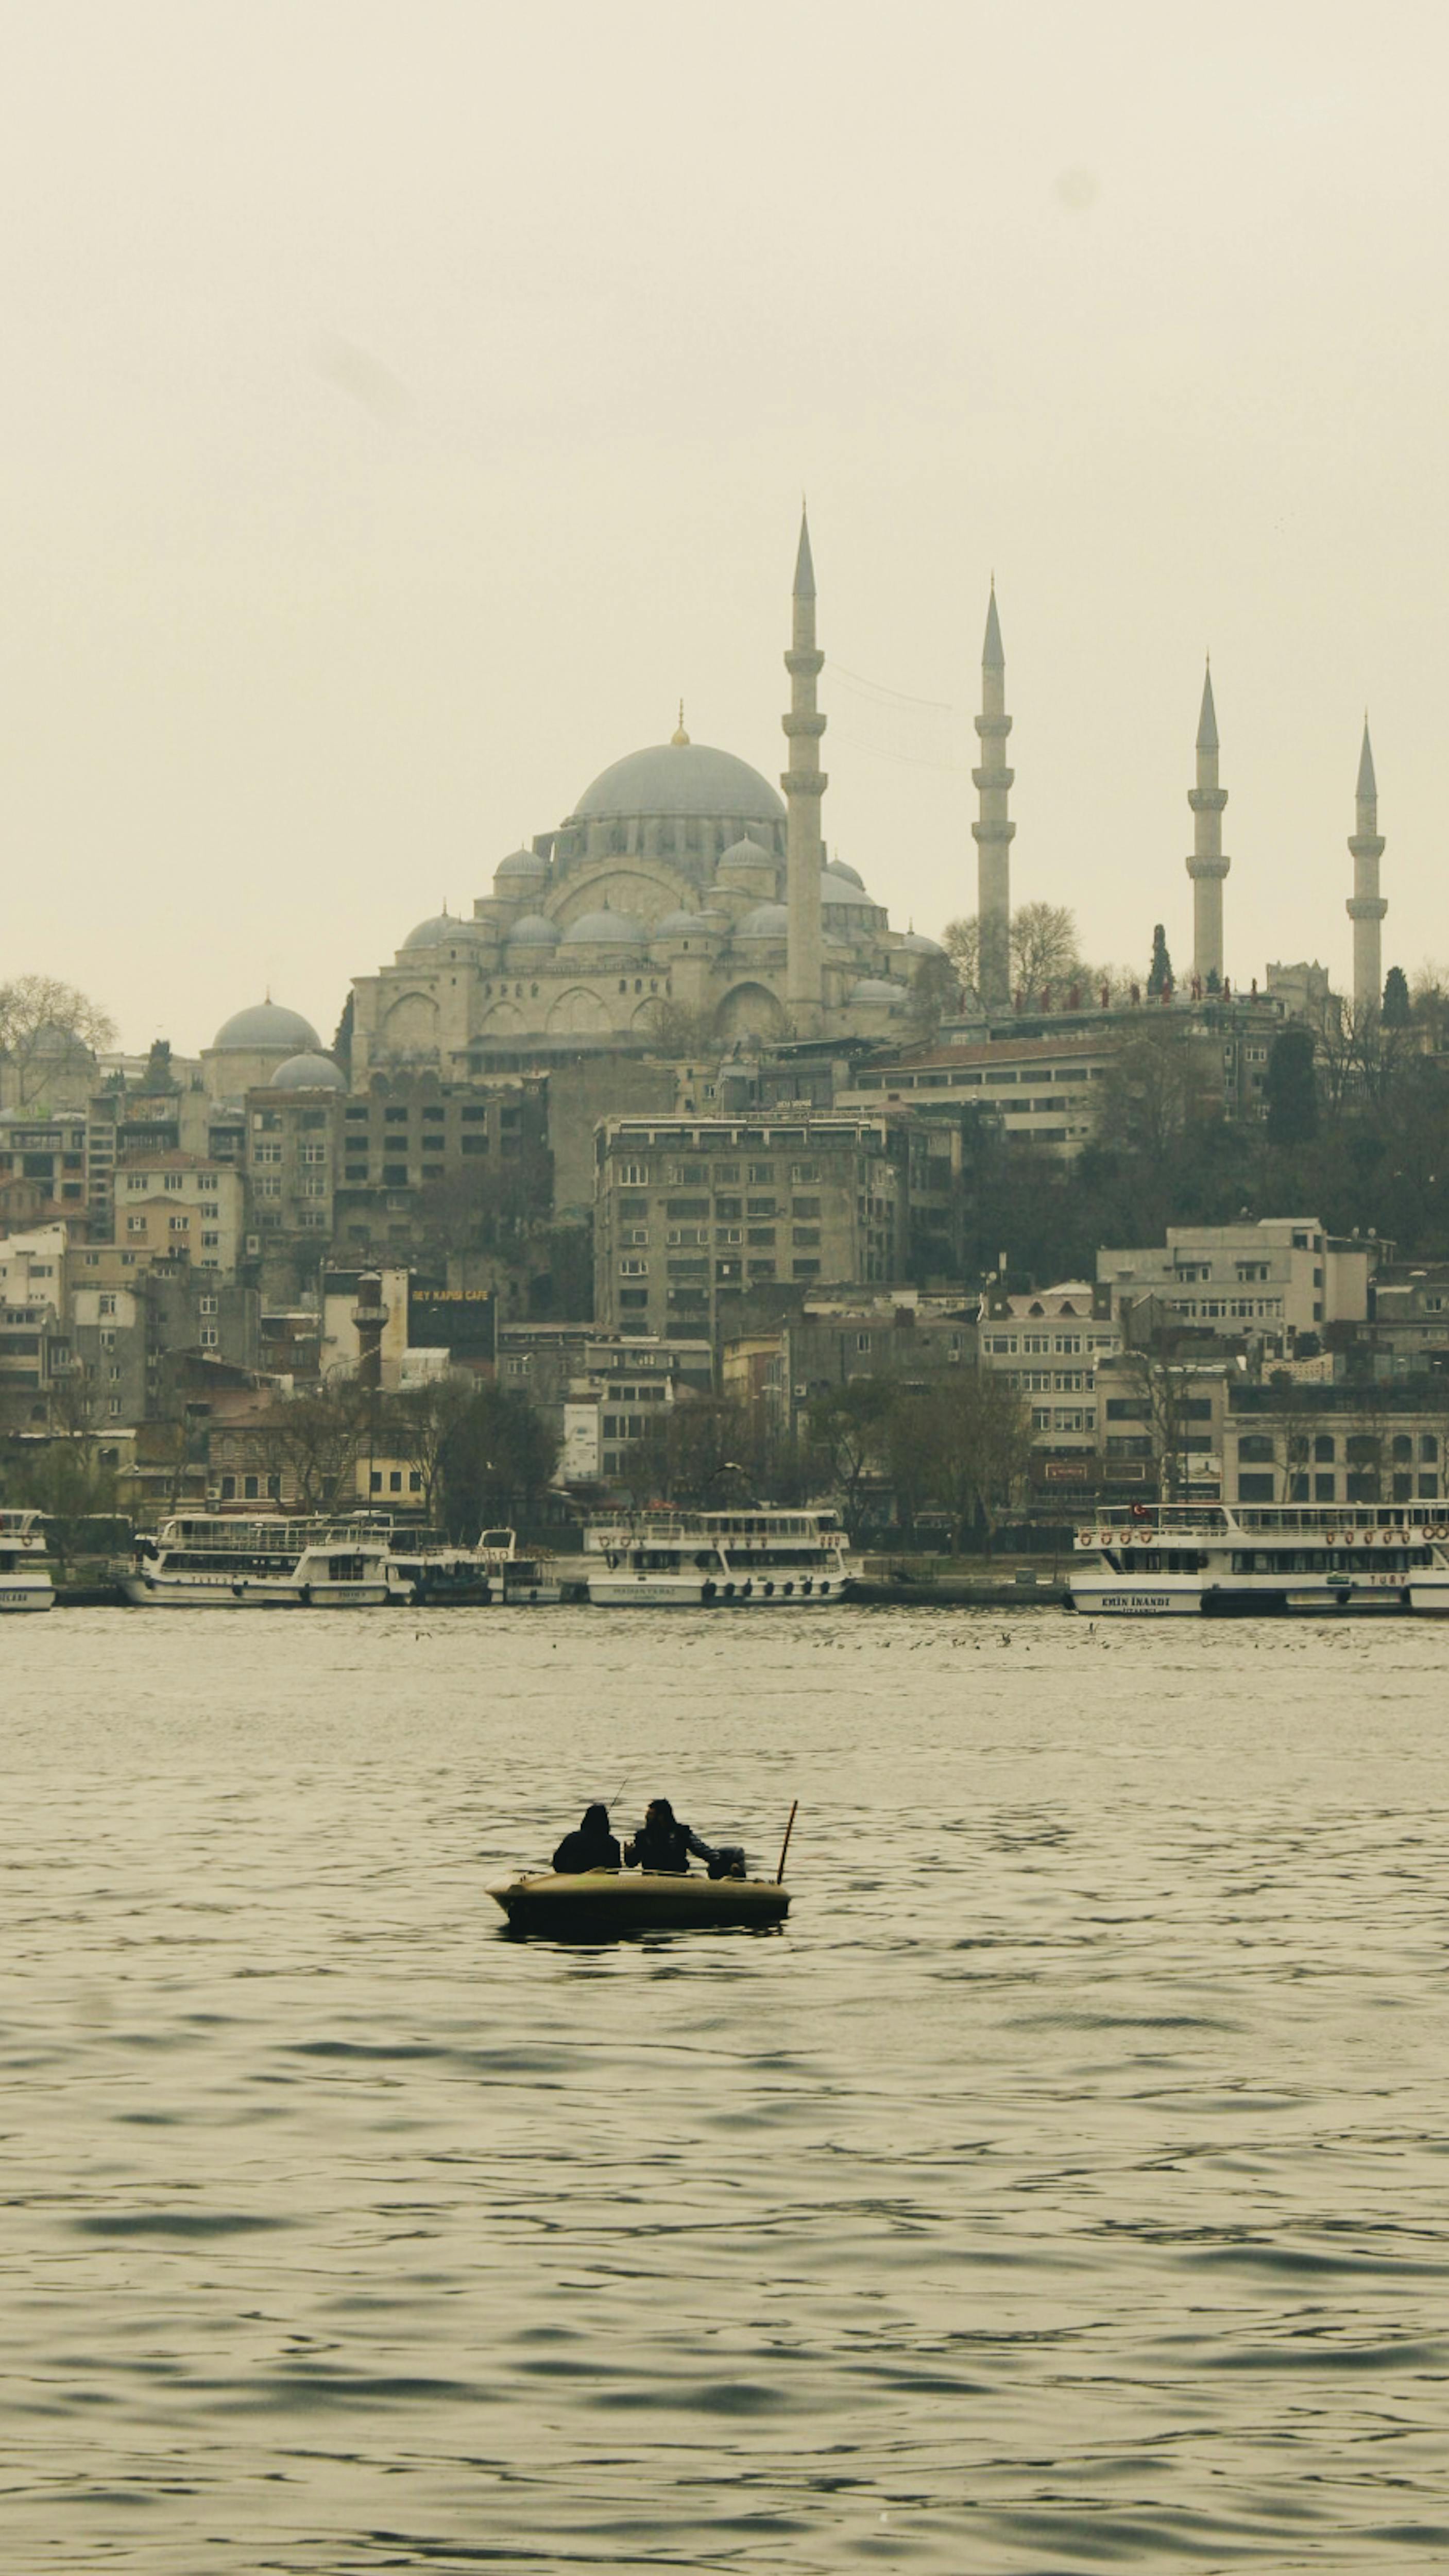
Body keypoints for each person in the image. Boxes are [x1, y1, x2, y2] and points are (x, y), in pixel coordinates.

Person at [624, 1797, 717, 1875]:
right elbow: (632, 1864)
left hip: (677, 1877)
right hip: (651, 1880)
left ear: (662, 1816)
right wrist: (629, 1853)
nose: (647, 1818)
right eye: (647, 1814)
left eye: (651, 1815)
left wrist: (718, 1860)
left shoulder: (681, 1833)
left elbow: (702, 1851)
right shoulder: (643, 1836)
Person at [552, 1803, 622, 1874]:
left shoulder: (571, 1839)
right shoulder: (613, 1844)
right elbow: (615, 1870)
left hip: (572, 1878)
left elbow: (558, 1864)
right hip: (602, 1880)